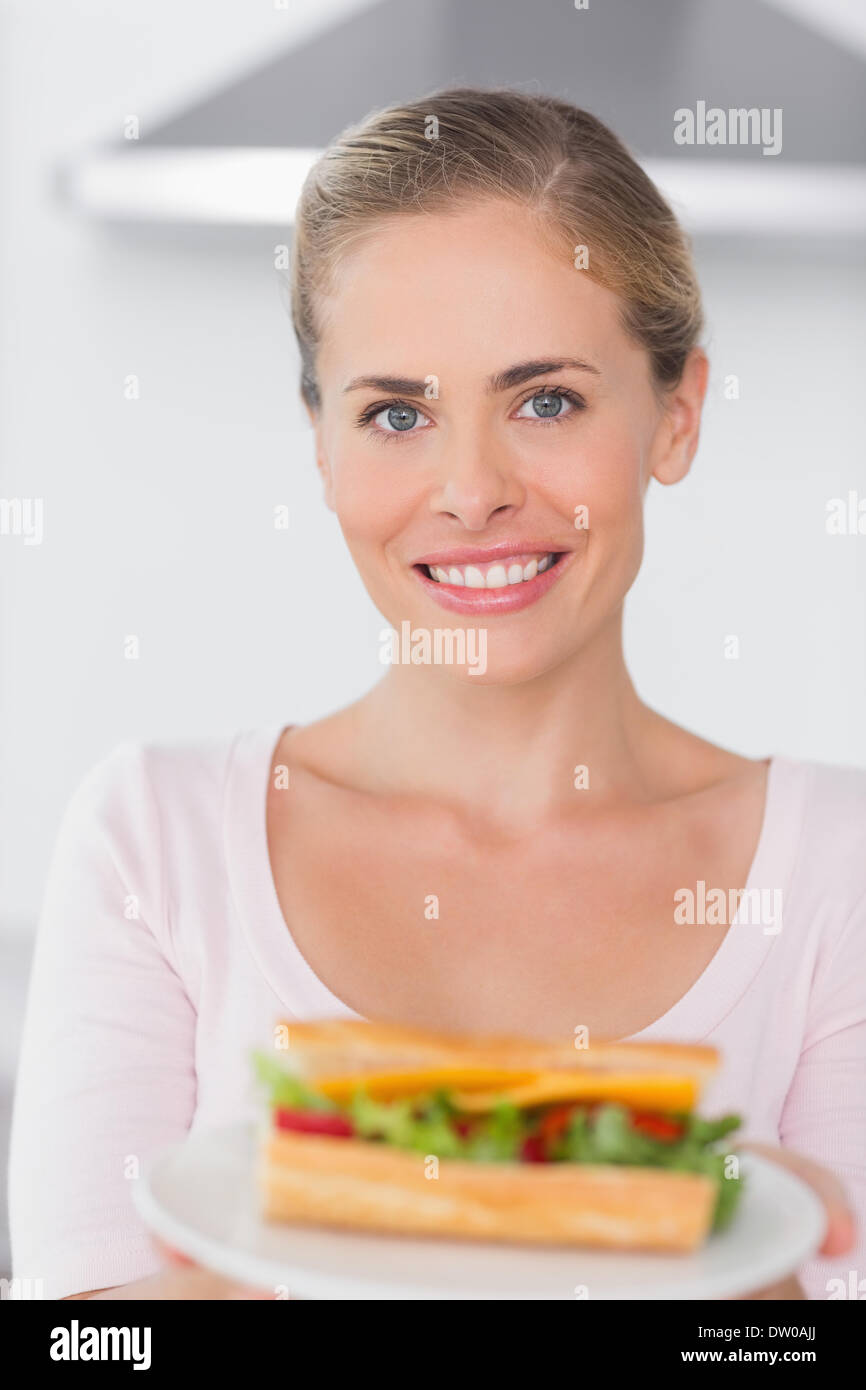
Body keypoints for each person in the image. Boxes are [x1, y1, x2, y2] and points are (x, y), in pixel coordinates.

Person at [9, 88, 864, 1301]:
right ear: (320, 444)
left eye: (545, 400)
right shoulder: (152, 839)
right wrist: (586, 1216)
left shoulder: (838, 864)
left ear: (674, 416)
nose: (470, 490)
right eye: (396, 413)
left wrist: (757, 1281)